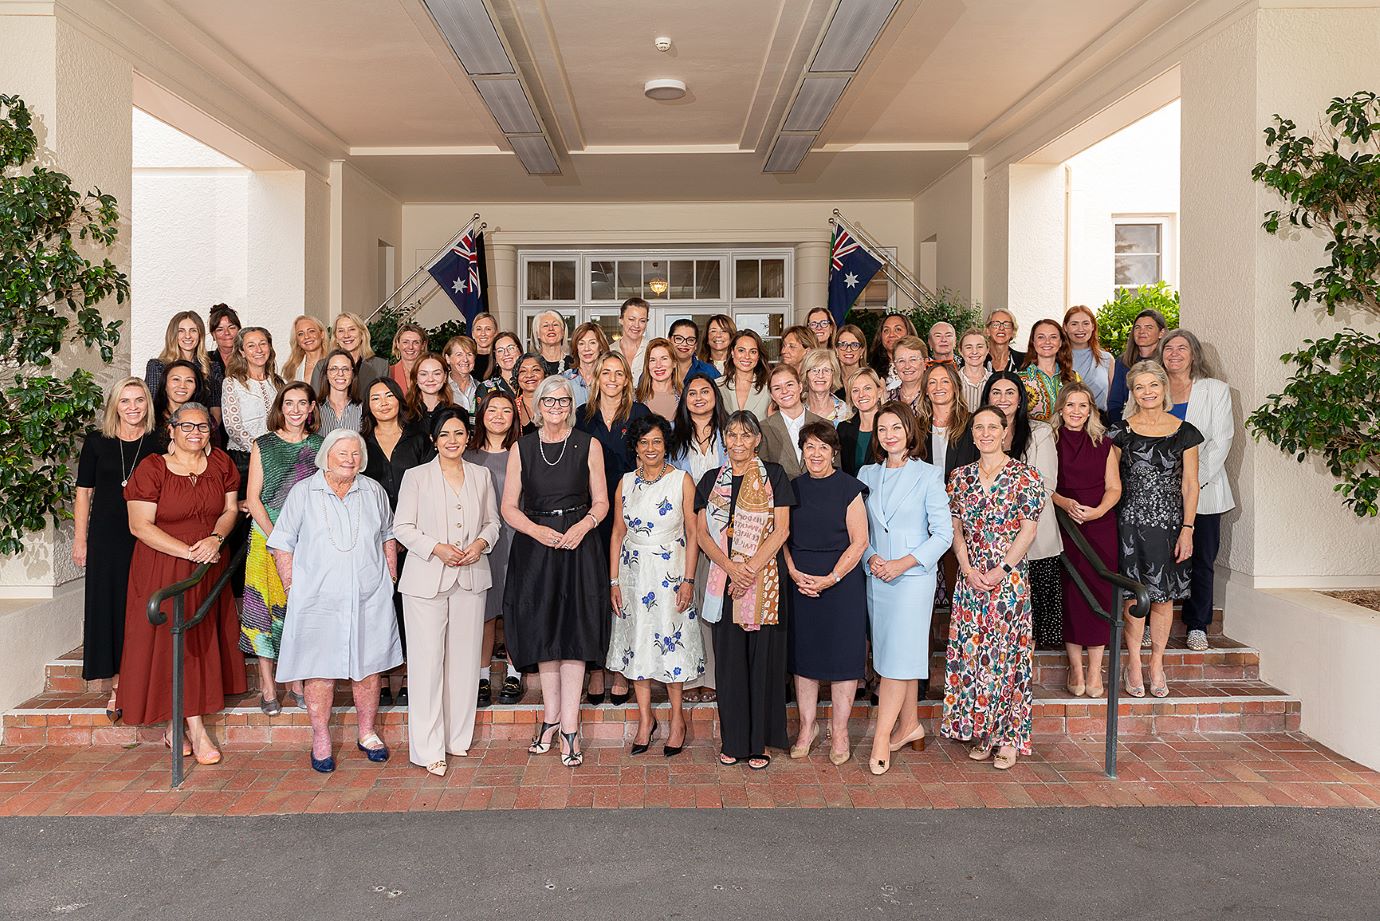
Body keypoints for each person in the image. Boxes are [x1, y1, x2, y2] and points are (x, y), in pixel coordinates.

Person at [268, 428, 402, 772]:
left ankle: (367, 732)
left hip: (368, 595)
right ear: (325, 455)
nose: (350, 459)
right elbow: (282, 542)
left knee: (368, 667)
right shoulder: (303, 492)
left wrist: (390, 577)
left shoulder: (373, 491)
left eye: (356, 453)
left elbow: (388, 535)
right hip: (317, 599)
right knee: (319, 670)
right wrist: (291, 586)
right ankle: (321, 737)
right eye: (342, 453)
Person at [118, 402, 244, 765]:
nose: (195, 433)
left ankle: (177, 725)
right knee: (171, 644)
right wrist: (188, 551)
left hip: (209, 564)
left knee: (197, 644)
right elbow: (139, 526)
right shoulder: (152, 468)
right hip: (164, 564)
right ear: (171, 429)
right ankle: (193, 729)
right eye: (187, 426)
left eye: (202, 427)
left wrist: (216, 540)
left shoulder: (221, 463)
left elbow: (230, 510)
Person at [502, 376, 611, 767]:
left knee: (575, 633)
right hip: (536, 548)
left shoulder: (588, 444)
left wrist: (583, 526)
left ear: (571, 406)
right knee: (544, 632)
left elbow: (602, 501)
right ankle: (550, 718)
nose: (556, 407)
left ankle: (570, 727)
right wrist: (537, 531)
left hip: (579, 546)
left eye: (563, 401)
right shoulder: (522, 447)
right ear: (537, 406)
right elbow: (508, 506)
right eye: (548, 401)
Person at [394, 407, 501, 776]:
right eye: (444, 434)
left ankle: (457, 738)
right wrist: (436, 548)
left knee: (465, 663)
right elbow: (402, 526)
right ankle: (428, 749)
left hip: (471, 578)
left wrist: (481, 544)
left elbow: (493, 522)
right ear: (433, 440)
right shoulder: (416, 477)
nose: (452, 440)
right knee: (426, 665)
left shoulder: (481, 475)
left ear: (468, 437)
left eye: (458, 433)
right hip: (426, 581)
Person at [943, 405, 1045, 770]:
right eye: (979, 427)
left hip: (1008, 581)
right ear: (972, 435)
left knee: (1007, 657)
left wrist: (1001, 569)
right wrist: (967, 567)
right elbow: (955, 528)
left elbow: (1028, 530)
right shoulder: (959, 477)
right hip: (970, 579)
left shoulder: (1025, 476)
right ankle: (984, 732)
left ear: (1005, 432)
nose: (985, 433)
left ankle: (1009, 738)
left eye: (992, 427)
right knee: (974, 656)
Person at [695, 411, 795, 770]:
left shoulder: (775, 476)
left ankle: (758, 744)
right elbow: (701, 534)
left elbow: (781, 530)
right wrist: (732, 569)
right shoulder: (710, 480)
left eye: (745, 435)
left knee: (762, 663)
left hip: (764, 583)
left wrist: (748, 570)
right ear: (725, 440)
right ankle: (733, 741)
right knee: (730, 665)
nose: (738, 442)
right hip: (724, 581)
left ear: (757, 440)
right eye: (732, 435)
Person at [857, 402, 952, 774]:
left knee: (896, 659)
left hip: (912, 579)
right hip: (878, 578)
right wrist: (870, 558)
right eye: (882, 429)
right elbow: (860, 528)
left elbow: (942, 534)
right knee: (894, 656)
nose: (889, 435)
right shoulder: (867, 473)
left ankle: (882, 737)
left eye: (896, 427)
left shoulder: (929, 474)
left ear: (909, 431)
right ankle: (910, 725)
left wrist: (904, 562)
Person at [607, 414, 703, 757]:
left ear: (666, 446)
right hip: (633, 574)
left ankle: (677, 719)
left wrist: (688, 580)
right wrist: (614, 581)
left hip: (670, 574)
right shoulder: (625, 483)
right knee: (638, 643)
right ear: (635, 446)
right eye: (644, 442)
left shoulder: (681, 481)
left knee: (671, 644)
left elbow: (693, 533)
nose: (650, 448)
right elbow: (617, 533)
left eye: (657, 442)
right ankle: (645, 718)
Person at [1110, 361, 1202, 699]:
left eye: (1153, 385)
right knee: (1135, 596)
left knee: (1164, 598)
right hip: (1130, 524)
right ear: (1132, 393)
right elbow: (1110, 482)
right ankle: (1134, 663)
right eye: (1140, 387)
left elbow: (1190, 485)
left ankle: (1157, 663)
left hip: (1170, 525)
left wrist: (1188, 528)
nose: (1147, 392)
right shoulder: (1119, 432)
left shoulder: (1185, 431)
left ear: (1164, 388)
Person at [73, 378, 159, 720]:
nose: (133, 407)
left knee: (140, 608)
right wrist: (80, 540)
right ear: (115, 406)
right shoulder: (97, 442)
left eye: (139, 400)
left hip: (147, 536)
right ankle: (117, 688)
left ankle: (145, 682)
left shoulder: (159, 441)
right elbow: (84, 493)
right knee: (110, 608)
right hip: (106, 538)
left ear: (148, 405)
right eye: (125, 401)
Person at [785, 422, 869, 765]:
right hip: (800, 582)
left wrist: (830, 578)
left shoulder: (850, 488)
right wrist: (792, 571)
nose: (816, 453)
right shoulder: (792, 488)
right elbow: (780, 536)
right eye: (810, 447)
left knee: (842, 659)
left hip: (842, 583)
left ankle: (840, 731)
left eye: (823, 447)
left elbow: (860, 541)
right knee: (804, 659)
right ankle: (807, 728)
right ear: (802, 452)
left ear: (834, 452)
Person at [241, 382, 323, 714]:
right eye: (289, 403)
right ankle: (267, 684)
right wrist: (277, 540)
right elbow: (253, 498)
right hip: (266, 536)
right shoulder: (263, 444)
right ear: (280, 407)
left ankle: (296, 681)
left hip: (307, 539)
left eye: (302, 403)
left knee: (299, 611)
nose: (295, 409)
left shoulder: (321, 445)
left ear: (312, 407)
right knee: (263, 611)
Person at [576, 351, 649, 704]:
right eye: (606, 372)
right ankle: (596, 669)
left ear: (627, 379)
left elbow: (649, 457)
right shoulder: (581, 416)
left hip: (631, 510)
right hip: (590, 512)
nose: (612, 379)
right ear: (596, 377)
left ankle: (620, 668)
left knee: (625, 587)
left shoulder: (639, 414)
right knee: (594, 589)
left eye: (619, 373)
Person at [1160, 329, 1235, 651]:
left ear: (1194, 354)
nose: (1174, 353)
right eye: (1169, 348)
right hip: (1159, 492)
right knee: (1159, 560)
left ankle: (1197, 625)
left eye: (1182, 348)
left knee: (1201, 559)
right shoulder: (1154, 387)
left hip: (1204, 489)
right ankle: (1152, 623)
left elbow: (1222, 440)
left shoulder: (1215, 389)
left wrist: (1191, 481)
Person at [361, 376, 432, 705]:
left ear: (399, 400)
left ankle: (406, 679)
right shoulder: (361, 442)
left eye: (388, 396)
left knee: (410, 612)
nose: (383, 403)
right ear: (368, 406)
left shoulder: (418, 438)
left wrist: (407, 535)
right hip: (374, 541)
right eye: (375, 398)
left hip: (416, 539)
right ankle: (382, 677)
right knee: (380, 611)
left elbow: (430, 487)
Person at [982, 371, 1063, 648]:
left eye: (1010, 393)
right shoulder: (981, 431)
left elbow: (1046, 483)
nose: (1003, 398)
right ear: (987, 397)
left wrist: (1009, 513)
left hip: (1034, 535)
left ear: (1020, 399)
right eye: (996, 392)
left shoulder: (1040, 432)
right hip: (992, 540)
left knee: (1036, 621)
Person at [1051, 382, 1121, 698]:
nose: (1076, 411)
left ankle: (1095, 670)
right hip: (1064, 523)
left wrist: (1098, 512)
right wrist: (1064, 503)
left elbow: (1114, 487)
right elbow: (1041, 484)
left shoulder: (1104, 444)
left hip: (1099, 525)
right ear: (1061, 408)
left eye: (1083, 405)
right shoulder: (1049, 440)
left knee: (1099, 593)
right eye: (1070, 405)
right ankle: (1075, 668)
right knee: (1072, 595)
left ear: (1091, 410)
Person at [668, 372, 728, 704]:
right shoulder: (674, 437)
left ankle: (714, 678)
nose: (699, 398)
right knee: (686, 604)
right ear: (684, 400)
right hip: (683, 530)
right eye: (692, 393)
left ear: (715, 397)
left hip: (723, 532)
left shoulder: (729, 434)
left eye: (705, 391)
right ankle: (690, 676)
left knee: (713, 604)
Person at [464, 390, 524, 706]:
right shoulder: (468, 455)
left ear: (514, 417)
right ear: (481, 415)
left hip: (517, 539)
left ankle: (514, 673)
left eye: (506, 410)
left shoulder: (523, 451)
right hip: (481, 543)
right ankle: (482, 676)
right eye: (492, 410)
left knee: (515, 609)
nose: (499, 416)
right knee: (483, 611)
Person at [221, 326, 284, 481]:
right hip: (245, 460)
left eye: (263, 343)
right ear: (242, 352)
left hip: (279, 456)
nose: (259, 350)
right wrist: (261, 450)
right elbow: (233, 427)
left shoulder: (279, 383)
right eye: (251, 345)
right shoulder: (232, 383)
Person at [144, 311, 215, 421]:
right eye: (181, 331)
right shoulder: (157, 366)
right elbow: (152, 406)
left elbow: (215, 410)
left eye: (193, 330)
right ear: (173, 335)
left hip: (201, 427)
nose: (188, 336)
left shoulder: (212, 368)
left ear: (200, 335)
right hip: (164, 426)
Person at [759, 364, 822, 479]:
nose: (784, 391)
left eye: (789, 385)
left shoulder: (824, 424)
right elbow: (762, 473)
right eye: (777, 388)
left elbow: (835, 471)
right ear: (772, 395)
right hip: (780, 489)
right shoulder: (763, 429)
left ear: (800, 387)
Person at [1107, 309, 1168, 421]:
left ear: (1161, 333)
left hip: (1162, 423)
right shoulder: (1123, 361)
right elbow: (1115, 403)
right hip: (1129, 423)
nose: (1142, 331)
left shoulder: (1168, 361)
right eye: (1137, 327)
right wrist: (1120, 427)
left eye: (1149, 327)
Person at [310, 312, 388, 396]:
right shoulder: (321, 366)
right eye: (341, 331)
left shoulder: (381, 366)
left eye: (352, 329)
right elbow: (315, 400)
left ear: (362, 334)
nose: (346, 335)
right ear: (336, 337)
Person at [918, 362, 974, 481]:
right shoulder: (917, 427)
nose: (938, 387)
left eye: (945, 381)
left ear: (955, 387)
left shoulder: (971, 423)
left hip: (963, 489)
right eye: (932, 382)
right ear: (926, 390)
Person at [1019, 318, 1080, 422]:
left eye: (1053, 337)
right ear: (1033, 342)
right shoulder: (1019, 379)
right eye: (1041, 337)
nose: (1047, 342)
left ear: (1061, 342)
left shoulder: (1074, 377)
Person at [1064, 306, 1113, 411]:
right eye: (1074, 324)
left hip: (1099, 418)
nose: (1080, 329)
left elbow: (1113, 399)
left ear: (1093, 326)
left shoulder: (1106, 359)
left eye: (1085, 323)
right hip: (1064, 418)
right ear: (1065, 327)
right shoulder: (1056, 358)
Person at [152, 359, 212, 444]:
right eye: (176, 379)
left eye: (189, 380)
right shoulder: (150, 418)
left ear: (196, 388)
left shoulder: (205, 418)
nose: (182, 386)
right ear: (164, 384)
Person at [717, 330, 772, 420]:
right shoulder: (717, 386)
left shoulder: (769, 387)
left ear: (758, 356)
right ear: (732, 352)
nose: (747, 356)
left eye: (753, 352)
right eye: (741, 350)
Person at [837, 368, 882, 477]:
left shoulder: (891, 428)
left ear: (879, 392)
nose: (861, 395)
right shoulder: (843, 429)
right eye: (855, 390)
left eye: (867, 388)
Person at [405, 353, 457, 437]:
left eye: (436, 373)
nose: (430, 379)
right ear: (415, 378)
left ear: (445, 377)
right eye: (423, 374)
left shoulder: (457, 412)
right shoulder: (403, 413)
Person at [316, 348, 363, 433]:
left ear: (353, 374)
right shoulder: (314, 409)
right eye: (334, 369)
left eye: (345, 369)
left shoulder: (362, 409)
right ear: (326, 374)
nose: (340, 374)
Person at [564, 321, 610, 406]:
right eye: (581, 343)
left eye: (592, 343)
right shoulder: (564, 379)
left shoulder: (610, 379)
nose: (586, 348)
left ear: (600, 346)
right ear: (576, 348)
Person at [636, 337, 682, 419]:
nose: (658, 365)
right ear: (647, 365)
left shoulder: (686, 398)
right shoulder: (635, 398)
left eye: (664, 359)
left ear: (674, 363)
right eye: (653, 360)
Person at [801, 348, 850, 423]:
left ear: (834, 375)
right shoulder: (798, 410)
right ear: (806, 375)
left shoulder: (845, 413)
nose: (820, 375)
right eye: (814, 370)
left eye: (826, 370)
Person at [869, 312, 918, 387]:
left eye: (898, 329)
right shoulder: (871, 370)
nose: (891, 335)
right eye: (886, 330)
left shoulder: (923, 364)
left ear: (909, 333)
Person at [885, 335, 929, 415]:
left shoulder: (933, 397)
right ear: (895, 365)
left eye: (913, 360)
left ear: (925, 363)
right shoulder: (886, 399)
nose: (907, 366)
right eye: (901, 361)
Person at [668, 318, 720, 385]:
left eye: (690, 340)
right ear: (669, 340)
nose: (684, 344)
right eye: (678, 338)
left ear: (695, 345)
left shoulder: (709, 371)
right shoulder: (659, 369)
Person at [282, 315, 328, 383]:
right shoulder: (292, 368)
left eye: (311, 331)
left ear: (322, 334)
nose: (306, 336)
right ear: (297, 340)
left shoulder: (334, 362)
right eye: (300, 334)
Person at [615, 297, 650, 384]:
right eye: (631, 319)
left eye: (642, 321)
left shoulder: (653, 349)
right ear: (621, 320)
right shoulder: (609, 350)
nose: (636, 325)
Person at [477, 331, 523, 398]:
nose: (506, 353)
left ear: (520, 351)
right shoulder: (485, 388)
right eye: (500, 350)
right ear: (495, 357)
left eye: (511, 348)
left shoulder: (530, 382)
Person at [956, 328, 992, 412]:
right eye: (968, 347)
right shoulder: (952, 381)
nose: (974, 352)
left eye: (980, 347)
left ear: (987, 350)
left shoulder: (995, 381)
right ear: (960, 351)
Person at [206, 303, 241, 389]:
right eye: (220, 329)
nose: (227, 333)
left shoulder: (250, 358)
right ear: (213, 335)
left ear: (239, 330)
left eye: (231, 327)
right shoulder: (204, 360)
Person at [530, 308, 573, 376]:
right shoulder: (530, 364)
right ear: (537, 334)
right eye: (545, 325)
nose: (551, 328)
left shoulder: (573, 364)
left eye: (555, 325)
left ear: (563, 332)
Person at [442, 335, 480, 412]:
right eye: (459, 354)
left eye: (469, 354)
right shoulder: (441, 388)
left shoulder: (481, 388)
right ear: (448, 358)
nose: (465, 359)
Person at [388, 323, 427, 394]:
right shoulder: (389, 372)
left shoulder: (431, 373)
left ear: (423, 345)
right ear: (397, 344)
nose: (410, 347)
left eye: (416, 342)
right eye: (405, 342)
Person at [984, 308, 1024, 372]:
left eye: (1006, 325)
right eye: (996, 324)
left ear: (1013, 331)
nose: (1001, 328)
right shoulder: (977, 360)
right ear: (987, 330)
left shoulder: (1025, 361)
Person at [834, 324, 869, 395]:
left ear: (862, 350)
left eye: (855, 345)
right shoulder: (830, 378)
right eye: (843, 345)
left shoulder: (871, 378)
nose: (848, 350)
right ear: (836, 349)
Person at [469, 312, 500, 382]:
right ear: (473, 334)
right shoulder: (466, 360)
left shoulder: (501, 358)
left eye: (488, 329)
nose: (483, 333)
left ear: (495, 333)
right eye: (478, 329)